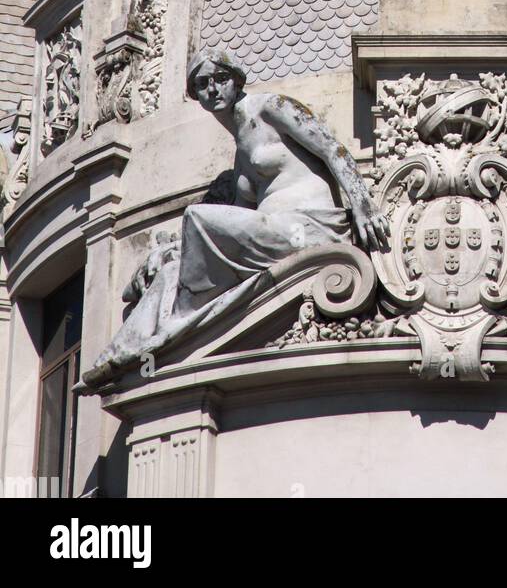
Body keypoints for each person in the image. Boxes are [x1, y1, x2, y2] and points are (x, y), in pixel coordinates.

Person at [78, 47, 388, 387]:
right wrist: (169, 252)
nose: (213, 89)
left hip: (308, 227)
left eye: (221, 79)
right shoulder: (240, 155)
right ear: (195, 94)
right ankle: (119, 353)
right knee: (171, 270)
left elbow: (332, 147)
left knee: (196, 218)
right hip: (273, 233)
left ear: (236, 80)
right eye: (203, 83)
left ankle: (176, 334)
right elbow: (237, 220)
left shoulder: (271, 108)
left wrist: (363, 205)